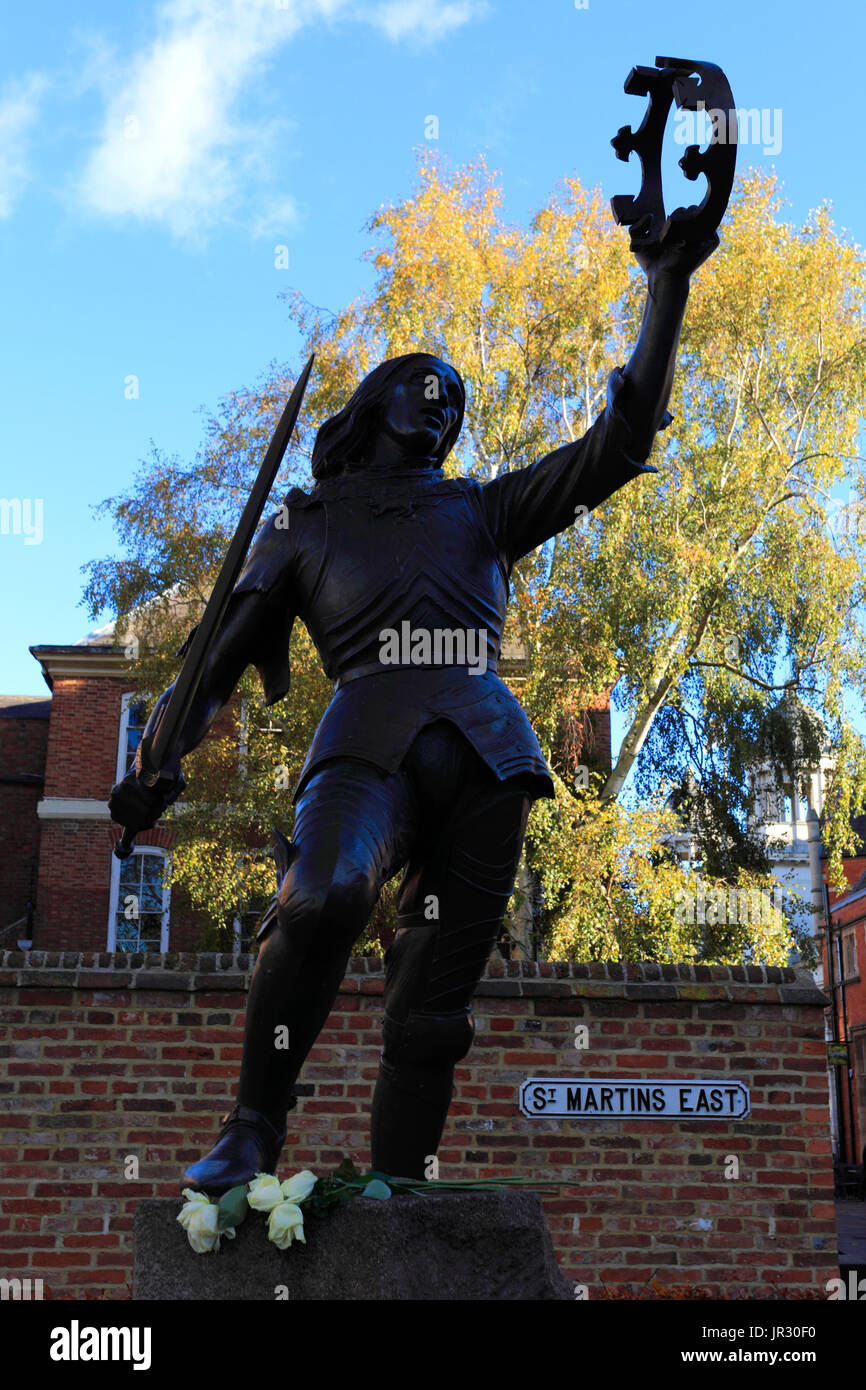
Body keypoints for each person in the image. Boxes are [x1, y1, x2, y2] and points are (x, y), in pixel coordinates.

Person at [108, 232, 718, 1192]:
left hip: (488, 756)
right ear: (378, 401)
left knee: (432, 1014)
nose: (444, 402)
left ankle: (401, 1195)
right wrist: (157, 762)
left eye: (456, 398)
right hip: (367, 740)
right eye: (426, 386)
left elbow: (621, 442)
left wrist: (667, 287)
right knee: (322, 894)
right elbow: (215, 660)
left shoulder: (483, 511)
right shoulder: (307, 524)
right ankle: (253, 1127)